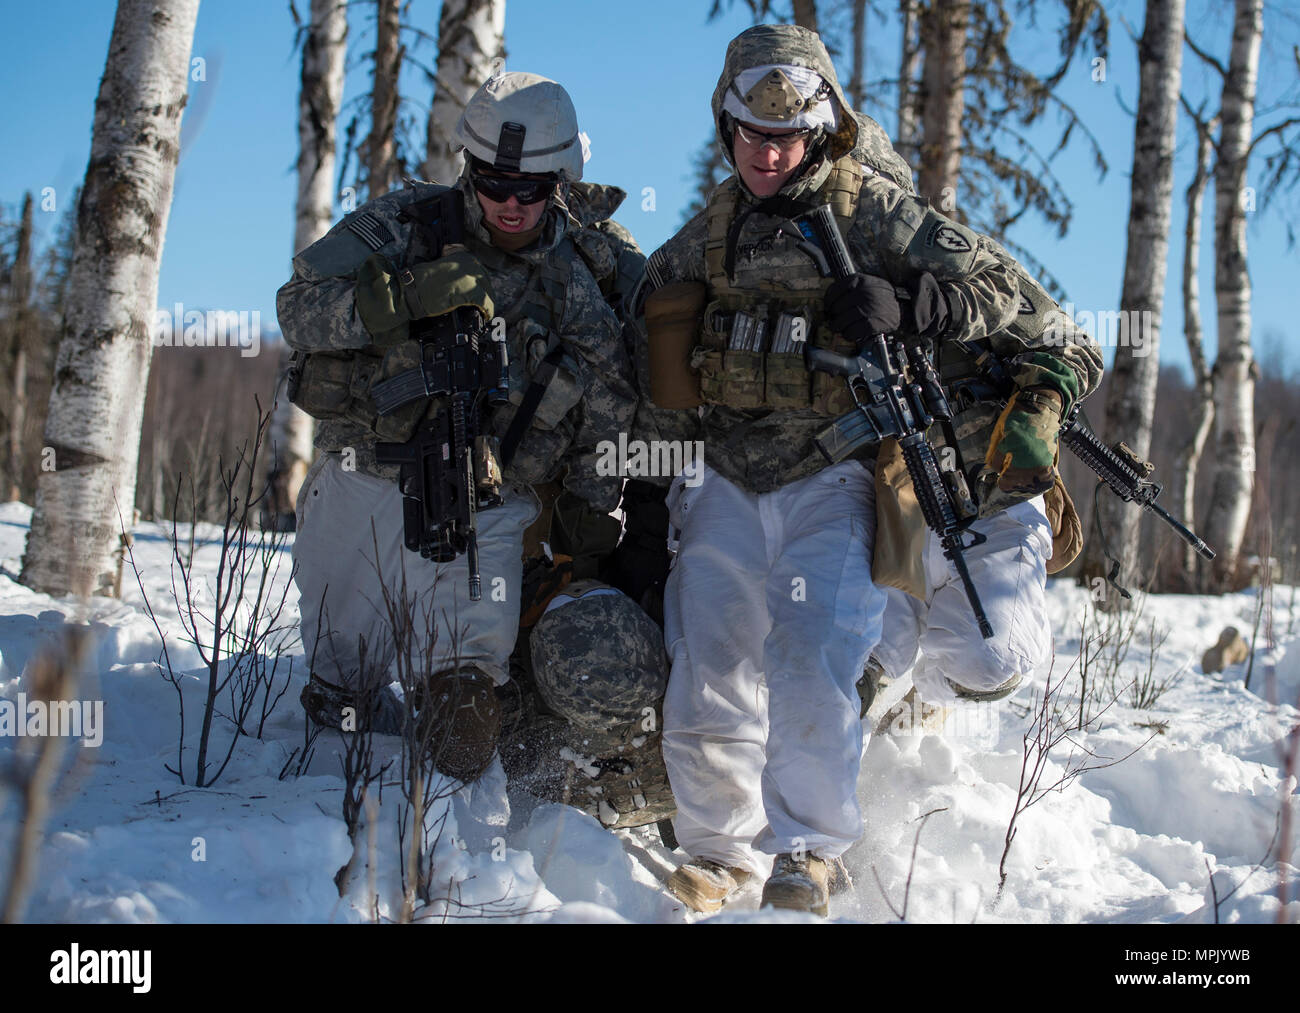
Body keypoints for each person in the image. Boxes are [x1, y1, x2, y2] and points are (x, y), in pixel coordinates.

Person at [638, 23, 1047, 917]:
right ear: (725, 127)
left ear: (822, 130)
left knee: (810, 654)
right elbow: (641, 310)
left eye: (785, 138)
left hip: (835, 473)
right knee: (708, 658)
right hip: (723, 475)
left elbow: (1001, 287)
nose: (767, 154)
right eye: (750, 135)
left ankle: (812, 848)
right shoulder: (712, 229)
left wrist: (913, 302)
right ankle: (716, 850)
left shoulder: (873, 211)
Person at [277, 71, 638, 786]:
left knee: (466, 714)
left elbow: (612, 399)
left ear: (558, 183)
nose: (509, 204)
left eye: (529, 190)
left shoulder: (574, 280)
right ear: (467, 168)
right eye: (492, 183)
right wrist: (396, 302)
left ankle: (453, 838)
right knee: (336, 691)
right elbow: (297, 307)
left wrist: (590, 505)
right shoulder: (407, 224)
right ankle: (320, 816)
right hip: (366, 477)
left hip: (489, 504)